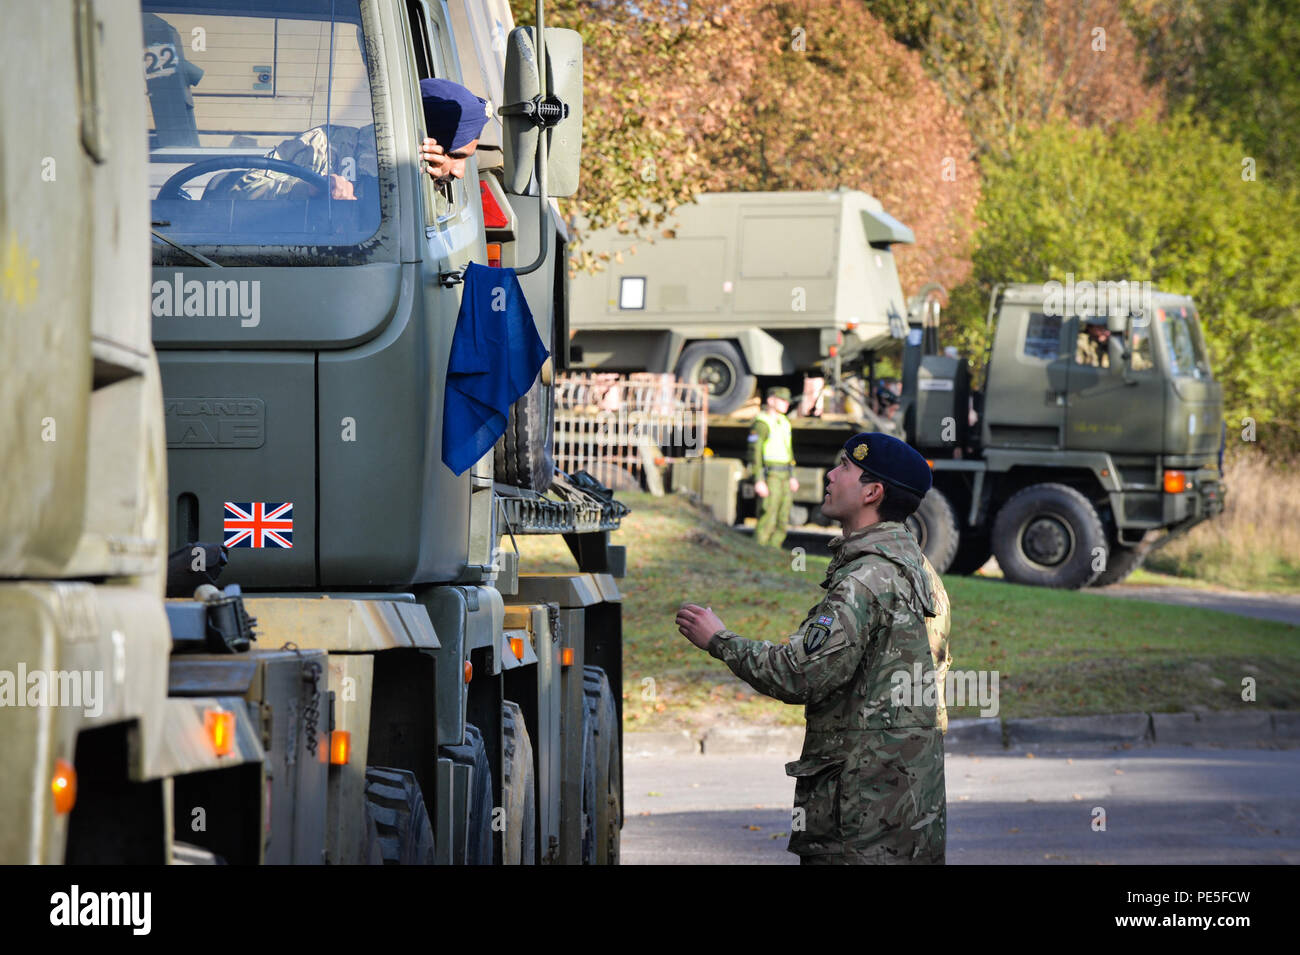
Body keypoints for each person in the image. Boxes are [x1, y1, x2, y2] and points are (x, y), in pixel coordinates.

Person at [675, 432, 948, 864]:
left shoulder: (865, 581)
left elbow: (798, 674)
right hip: (908, 811)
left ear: (872, 492)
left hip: (859, 821)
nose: (831, 474)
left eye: (844, 468)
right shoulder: (920, 573)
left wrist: (719, 640)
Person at [749, 386, 798, 548]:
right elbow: (755, 453)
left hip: (785, 474)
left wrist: (792, 476)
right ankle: (759, 549)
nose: (786, 404)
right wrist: (758, 480)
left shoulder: (785, 422)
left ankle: (774, 549)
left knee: (783, 516)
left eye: (787, 401)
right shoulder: (762, 423)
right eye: (782, 400)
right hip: (771, 475)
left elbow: (789, 451)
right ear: (771, 400)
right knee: (768, 513)